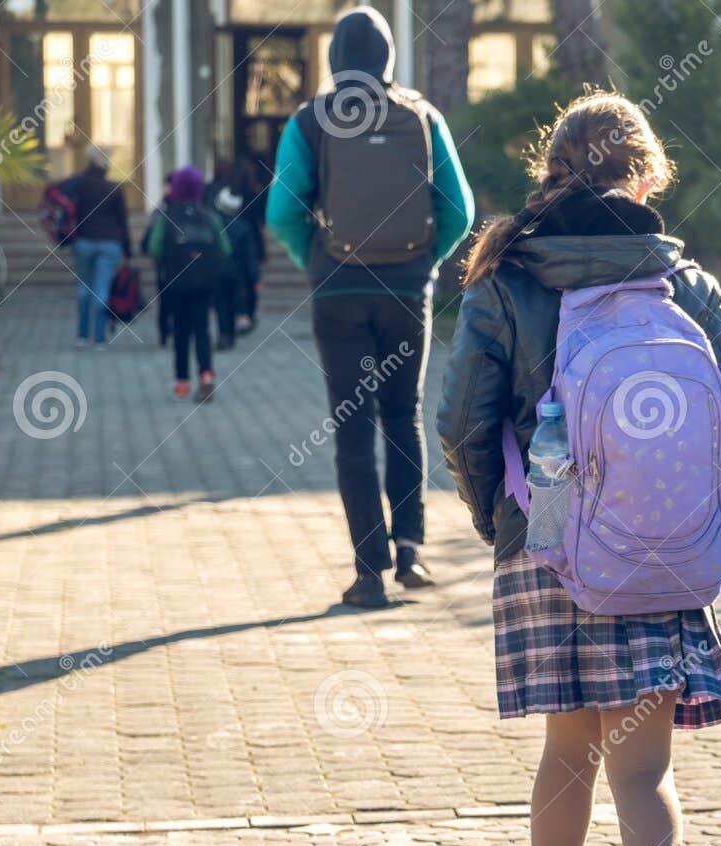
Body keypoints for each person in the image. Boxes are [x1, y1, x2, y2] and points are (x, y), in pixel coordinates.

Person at [437, 93, 721, 846]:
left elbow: (462, 421)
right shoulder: (684, 283)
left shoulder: (505, 277)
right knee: (644, 763)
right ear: (649, 174)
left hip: (546, 539)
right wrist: (686, 508)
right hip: (656, 548)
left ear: (553, 168)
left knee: (567, 752)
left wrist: (502, 517)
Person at [267, 5, 474, 608]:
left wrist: (318, 260)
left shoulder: (311, 120)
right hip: (406, 291)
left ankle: (368, 574)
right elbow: (458, 209)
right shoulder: (422, 115)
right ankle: (411, 550)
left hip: (338, 289)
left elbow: (282, 211)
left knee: (351, 428)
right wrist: (422, 265)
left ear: (334, 58)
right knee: (403, 415)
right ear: (387, 57)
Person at [144, 166, 229, 402]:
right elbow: (225, 249)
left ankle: (182, 382)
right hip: (204, 283)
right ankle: (206, 376)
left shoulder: (167, 216)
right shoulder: (210, 216)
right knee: (202, 330)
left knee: (180, 332)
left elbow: (154, 248)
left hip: (176, 283)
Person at [69, 143, 131, 349]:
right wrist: (127, 250)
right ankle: (99, 338)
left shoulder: (78, 185)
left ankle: (82, 335)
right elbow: (123, 222)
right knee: (101, 290)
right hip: (109, 243)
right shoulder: (114, 188)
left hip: (84, 242)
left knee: (84, 289)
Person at [206, 161, 265, 346]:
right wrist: (254, 275)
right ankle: (240, 322)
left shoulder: (215, 225)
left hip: (220, 267)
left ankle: (225, 334)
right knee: (236, 296)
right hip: (238, 267)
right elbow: (250, 254)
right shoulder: (244, 226)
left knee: (222, 301)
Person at [143, 179, 173, 348]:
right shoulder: (161, 211)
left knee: (165, 299)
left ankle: (165, 333)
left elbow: (153, 245)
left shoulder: (161, 211)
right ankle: (168, 331)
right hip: (169, 264)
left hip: (165, 265)